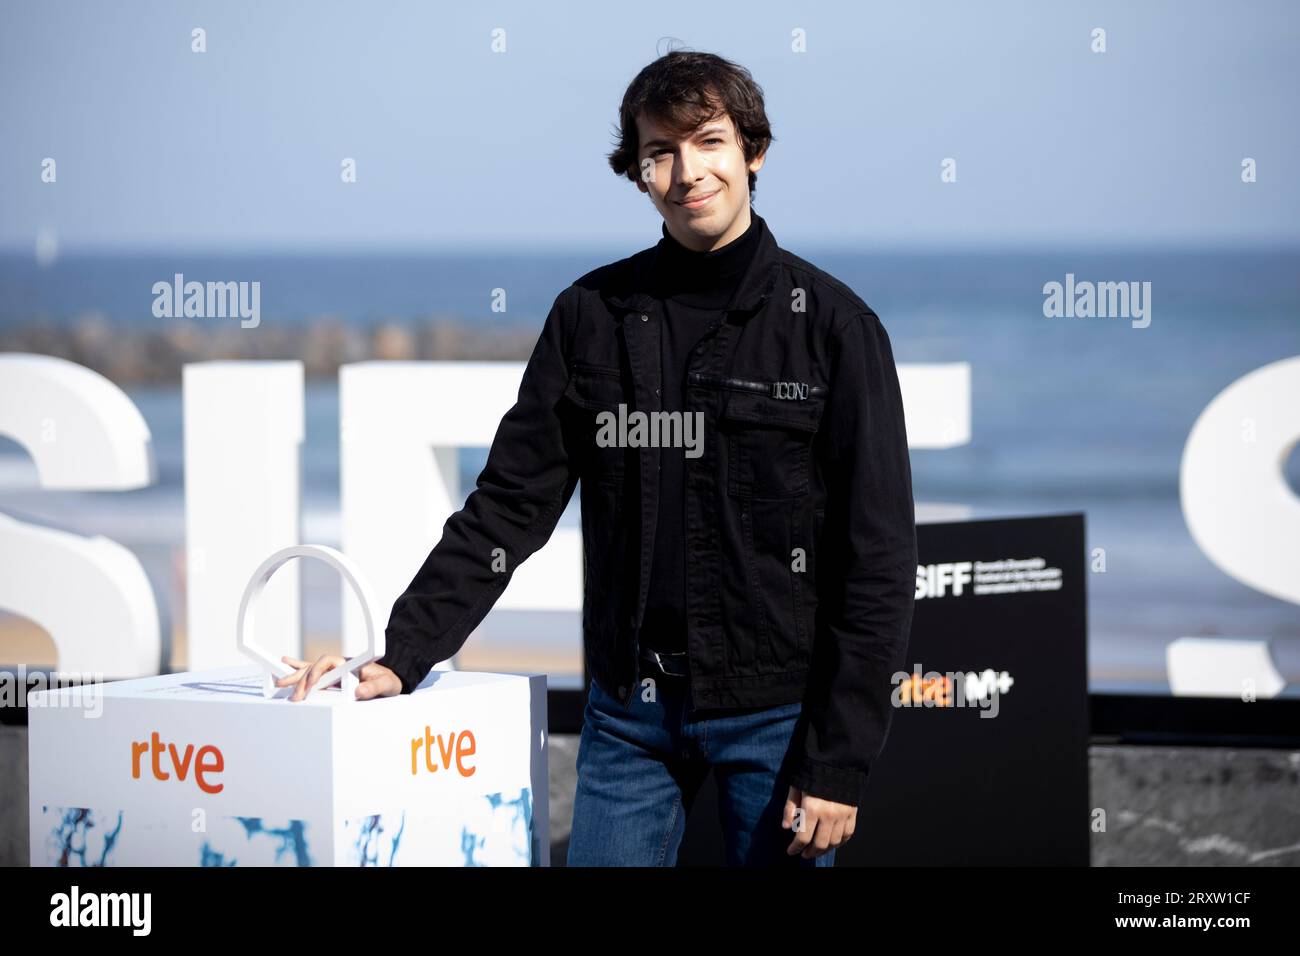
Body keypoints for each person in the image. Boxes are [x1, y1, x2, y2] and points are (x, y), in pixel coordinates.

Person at [279, 50, 917, 867]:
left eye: (710, 142)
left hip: (778, 716)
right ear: (639, 173)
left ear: (753, 152)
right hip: (629, 715)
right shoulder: (590, 316)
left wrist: (839, 759)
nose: (689, 172)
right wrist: (403, 653)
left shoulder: (834, 328)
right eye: (660, 152)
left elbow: (880, 561)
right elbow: (510, 504)